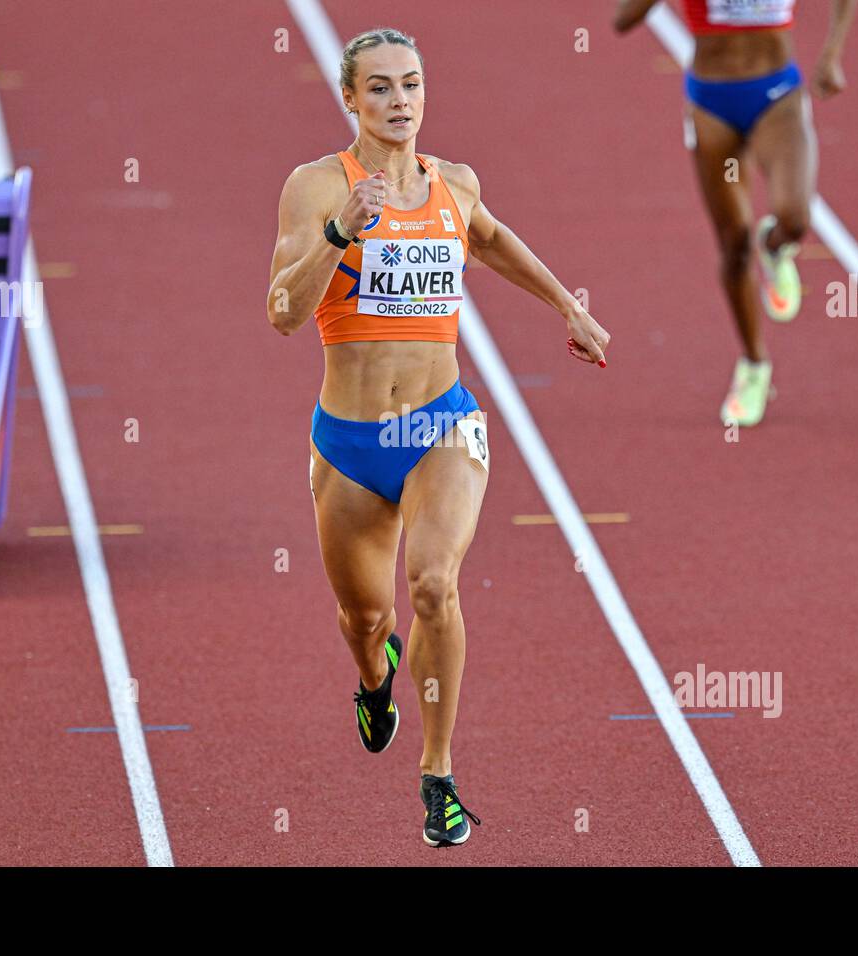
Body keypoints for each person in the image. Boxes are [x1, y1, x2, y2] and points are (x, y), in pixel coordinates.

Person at [266, 28, 610, 847]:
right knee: (366, 620)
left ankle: (439, 773)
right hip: (348, 442)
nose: (400, 102)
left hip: (440, 425)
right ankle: (372, 681)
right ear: (351, 99)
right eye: (380, 88)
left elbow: (487, 238)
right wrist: (339, 235)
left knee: (432, 587)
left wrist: (568, 306)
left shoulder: (452, 184)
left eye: (412, 85)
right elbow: (281, 311)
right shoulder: (318, 187)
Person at [615, 0, 858, 426]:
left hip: (778, 94)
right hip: (711, 102)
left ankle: (776, 245)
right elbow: (623, 20)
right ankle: (754, 364)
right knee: (733, 245)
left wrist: (832, 53)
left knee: (795, 217)